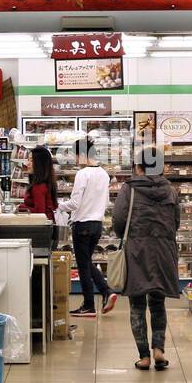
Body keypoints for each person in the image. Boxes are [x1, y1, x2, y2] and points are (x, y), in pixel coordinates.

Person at [111, 143, 180, 369]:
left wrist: (129, 236)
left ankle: (144, 357)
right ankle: (159, 349)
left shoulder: (129, 189)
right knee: (158, 303)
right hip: (163, 251)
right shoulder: (170, 190)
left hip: (137, 250)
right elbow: (175, 223)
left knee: (137, 305)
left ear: (139, 167)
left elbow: (119, 221)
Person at [62, 136, 117, 317]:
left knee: (83, 266)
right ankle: (106, 292)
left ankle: (88, 305)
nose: (76, 160)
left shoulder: (83, 174)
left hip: (82, 224)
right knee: (86, 262)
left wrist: (58, 205)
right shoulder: (103, 174)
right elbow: (107, 201)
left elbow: (75, 203)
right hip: (97, 224)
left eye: (77, 156)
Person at [21, 145, 58, 220]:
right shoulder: (47, 182)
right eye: (28, 159)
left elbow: (40, 213)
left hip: (41, 229)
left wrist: (22, 207)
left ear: (40, 164)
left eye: (31, 160)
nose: (27, 164)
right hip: (48, 226)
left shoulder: (38, 186)